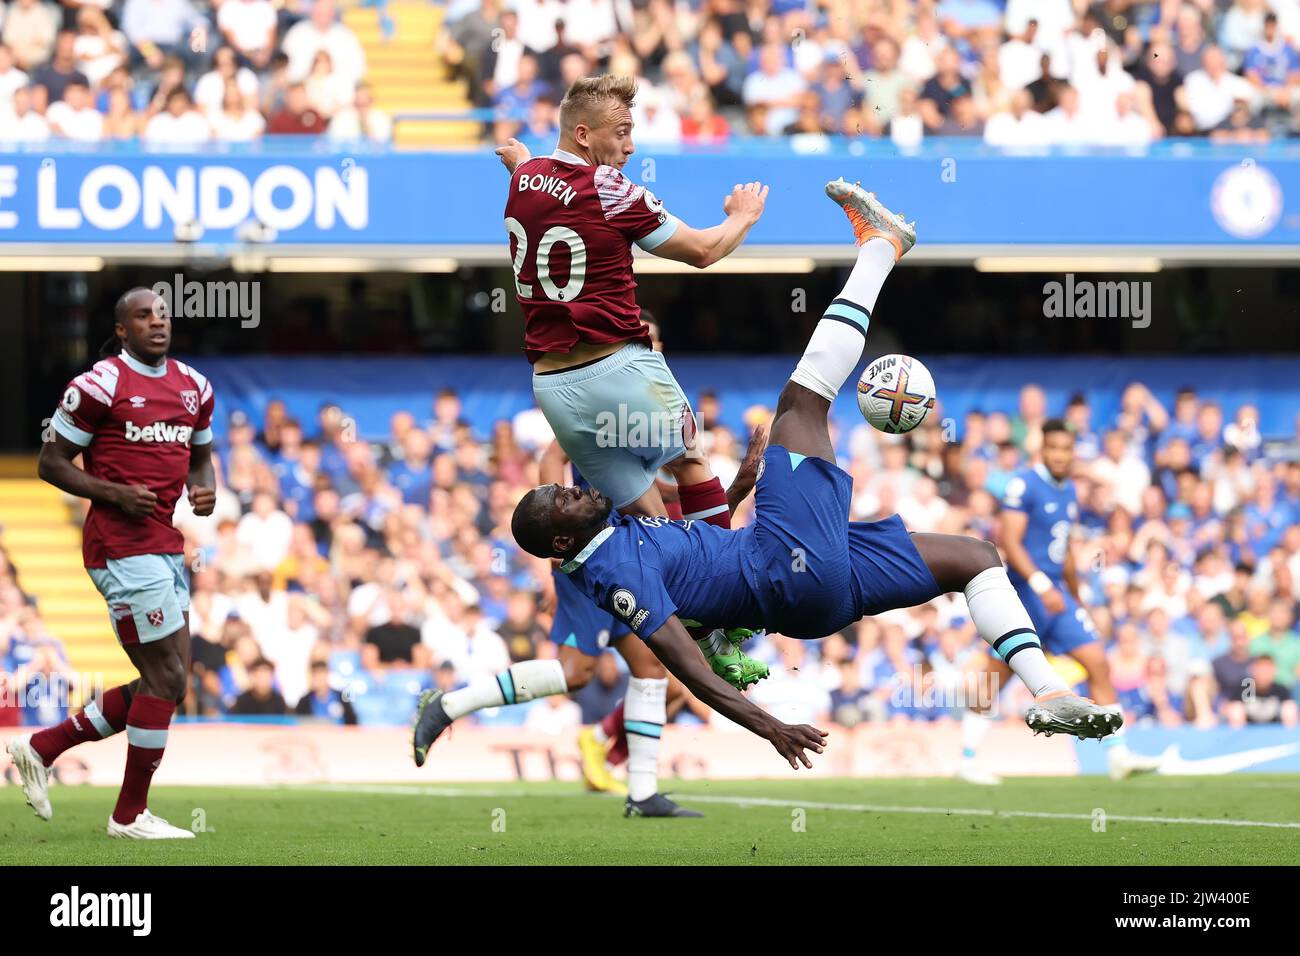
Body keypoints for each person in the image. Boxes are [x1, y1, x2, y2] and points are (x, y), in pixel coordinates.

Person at [421, 181, 1119, 769]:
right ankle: (880, 246)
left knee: (976, 557)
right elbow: (689, 666)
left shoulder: (622, 533)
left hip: (804, 589)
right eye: (563, 499)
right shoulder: (616, 580)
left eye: (564, 486)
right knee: (801, 402)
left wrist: (741, 485)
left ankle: (1049, 692)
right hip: (781, 567)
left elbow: (699, 549)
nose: (575, 488)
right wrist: (769, 727)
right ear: (563, 544)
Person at [7, 287, 216, 839]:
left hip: (166, 542)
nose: (157, 324)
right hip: (119, 546)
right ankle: (128, 816)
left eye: (163, 315)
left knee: (169, 684)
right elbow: (50, 463)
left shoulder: (195, 387)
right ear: (122, 329)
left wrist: (204, 489)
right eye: (143, 316)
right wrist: (113, 493)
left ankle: (40, 746)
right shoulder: (99, 385)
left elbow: (201, 456)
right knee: (167, 675)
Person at [958, 419, 1160, 785]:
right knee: (995, 678)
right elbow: (1010, 541)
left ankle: (1118, 755)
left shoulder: (1068, 491)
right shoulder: (1024, 484)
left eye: (1066, 449)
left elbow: (1063, 549)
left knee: (1098, 661)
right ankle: (968, 759)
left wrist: (1077, 597)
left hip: (1057, 595)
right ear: (1043, 450)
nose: (1060, 455)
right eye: (1053, 448)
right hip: (1024, 595)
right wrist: (1039, 582)